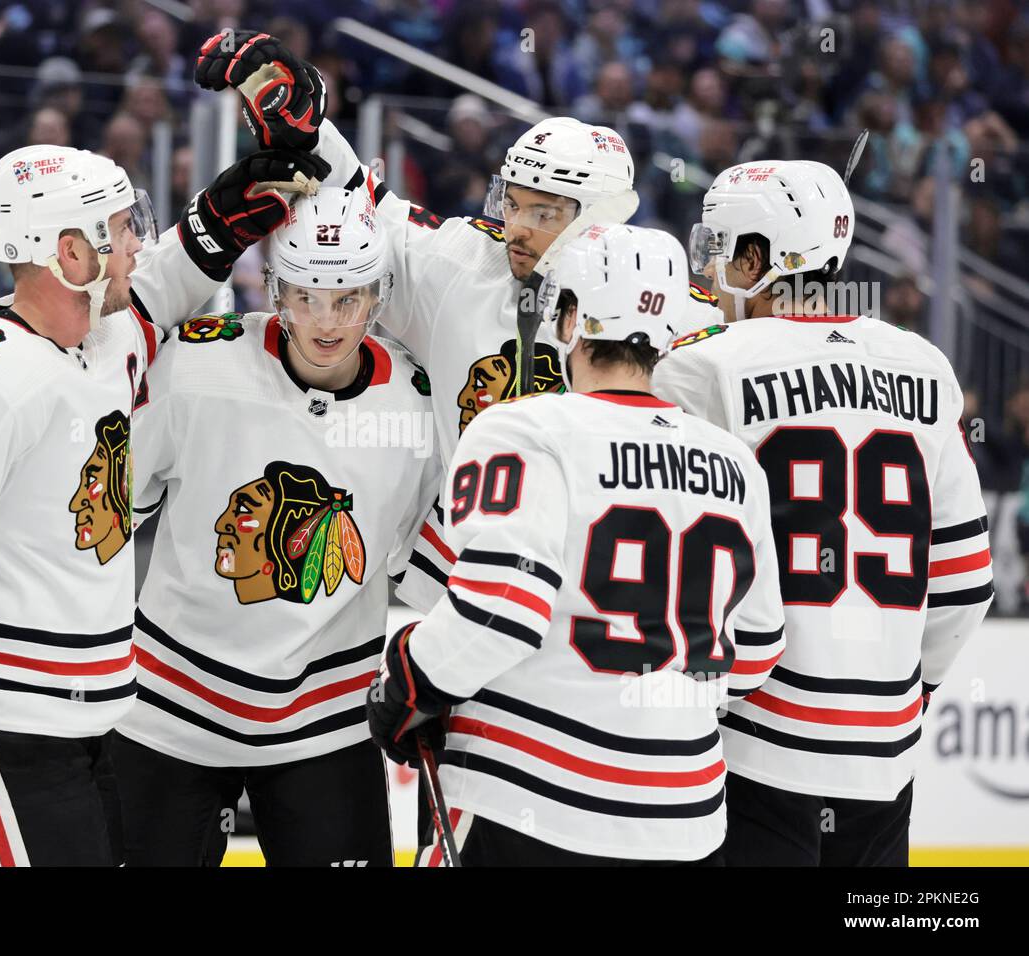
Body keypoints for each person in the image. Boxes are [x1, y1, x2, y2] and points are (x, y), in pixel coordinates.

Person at [0, 140, 324, 866]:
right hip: (6, 721)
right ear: (71, 254)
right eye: (123, 230)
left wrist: (222, 218)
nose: (138, 245)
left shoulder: (106, 337)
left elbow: (161, 285)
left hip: (94, 718)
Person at [189, 31, 721, 617]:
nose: (517, 227)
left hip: (604, 593)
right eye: (512, 203)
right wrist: (305, 117)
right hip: (453, 586)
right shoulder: (467, 264)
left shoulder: (675, 309)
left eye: (543, 212)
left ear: (601, 217)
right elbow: (368, 206)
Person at [366, 225, 786, 865]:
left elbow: (499, 611)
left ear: (570, 320)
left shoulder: (523, 430)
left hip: (531, 805)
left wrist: (409, 677)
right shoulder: (733, 463)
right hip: (688, 821)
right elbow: (752, 654)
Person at [653, 159, 995, 865]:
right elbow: (965, 581)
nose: (711, 272)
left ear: (758, 258)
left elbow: (678, 566)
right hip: (884, 765)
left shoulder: (705, 364)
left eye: (721, 250)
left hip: (753, 749)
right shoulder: (923, 364)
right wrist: (906, 695)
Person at [112, 186, 441, 866]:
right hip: (168, 709)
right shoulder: (198, 363)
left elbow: (428, 573)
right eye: (306, 297)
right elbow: (107, 513)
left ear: (377, 297)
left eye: (348, 298)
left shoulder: (416, 407)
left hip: (324, 723)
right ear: (275, 291)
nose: (328, 321)